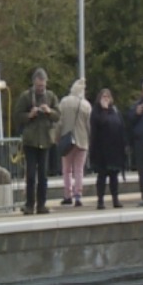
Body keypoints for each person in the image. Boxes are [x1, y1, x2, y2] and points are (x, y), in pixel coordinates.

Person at [15, 68, 59, 214]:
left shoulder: (51, 96)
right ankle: (29, 204)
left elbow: (58, 115)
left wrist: (49, 111)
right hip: (30, 141)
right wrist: (30, 115)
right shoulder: (26, 96)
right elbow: (17, 116)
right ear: (34, 83)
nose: (41, 88)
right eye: (39, 85)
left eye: (43, 85)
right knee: (31, 174)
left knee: (43, 175)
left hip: (45, 140)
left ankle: (41, 204)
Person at [88, 88, 126, 209]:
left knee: (114, 176)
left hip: (114, 149)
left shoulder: (115, 110)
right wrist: (104, 110)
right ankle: (100, 201)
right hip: (101, 150)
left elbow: (121, 125)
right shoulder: (96, 111)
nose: (106, 99)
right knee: (102, 176)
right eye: (103, 97)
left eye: (107, 97)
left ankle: (115, 199)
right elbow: (100, 123)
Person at [56, 78, 93, 206]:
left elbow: (59, 122)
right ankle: (78, 195)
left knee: (67, 170)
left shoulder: (64, 102)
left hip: (66, 140)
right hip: (82, 140)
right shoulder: (86, 105)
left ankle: (67, 195)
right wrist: (90, 138)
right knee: (79, 169)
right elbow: (89, 125)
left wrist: (57, 137)